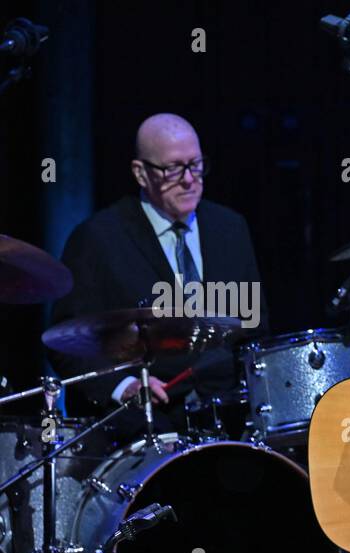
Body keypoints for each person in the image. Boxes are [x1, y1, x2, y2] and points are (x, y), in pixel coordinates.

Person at [50, 113, 266, 429]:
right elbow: (67, 340)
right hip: (144, 428)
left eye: (196, 165)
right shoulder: (98, 239)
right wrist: (124, 387)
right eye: (173, 169)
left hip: (227, 422)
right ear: (141, 173)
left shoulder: (230, 228)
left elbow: (255, 327)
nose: (190, 179)